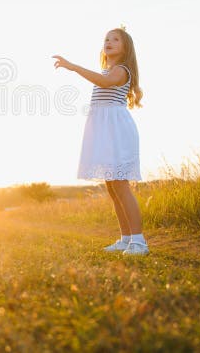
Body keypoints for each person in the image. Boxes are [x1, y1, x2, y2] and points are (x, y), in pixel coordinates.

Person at [52, 27, 149, 256]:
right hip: (104, 130)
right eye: (107, 39)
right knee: (112, 188)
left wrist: (73, 67)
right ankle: (125, 239)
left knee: (121, 185)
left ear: (126, 48)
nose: (109, 42)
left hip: (116, 131)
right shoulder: (108, 70)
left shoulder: (121, 70)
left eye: (115, 39)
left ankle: (139, 242)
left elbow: (104, 83)